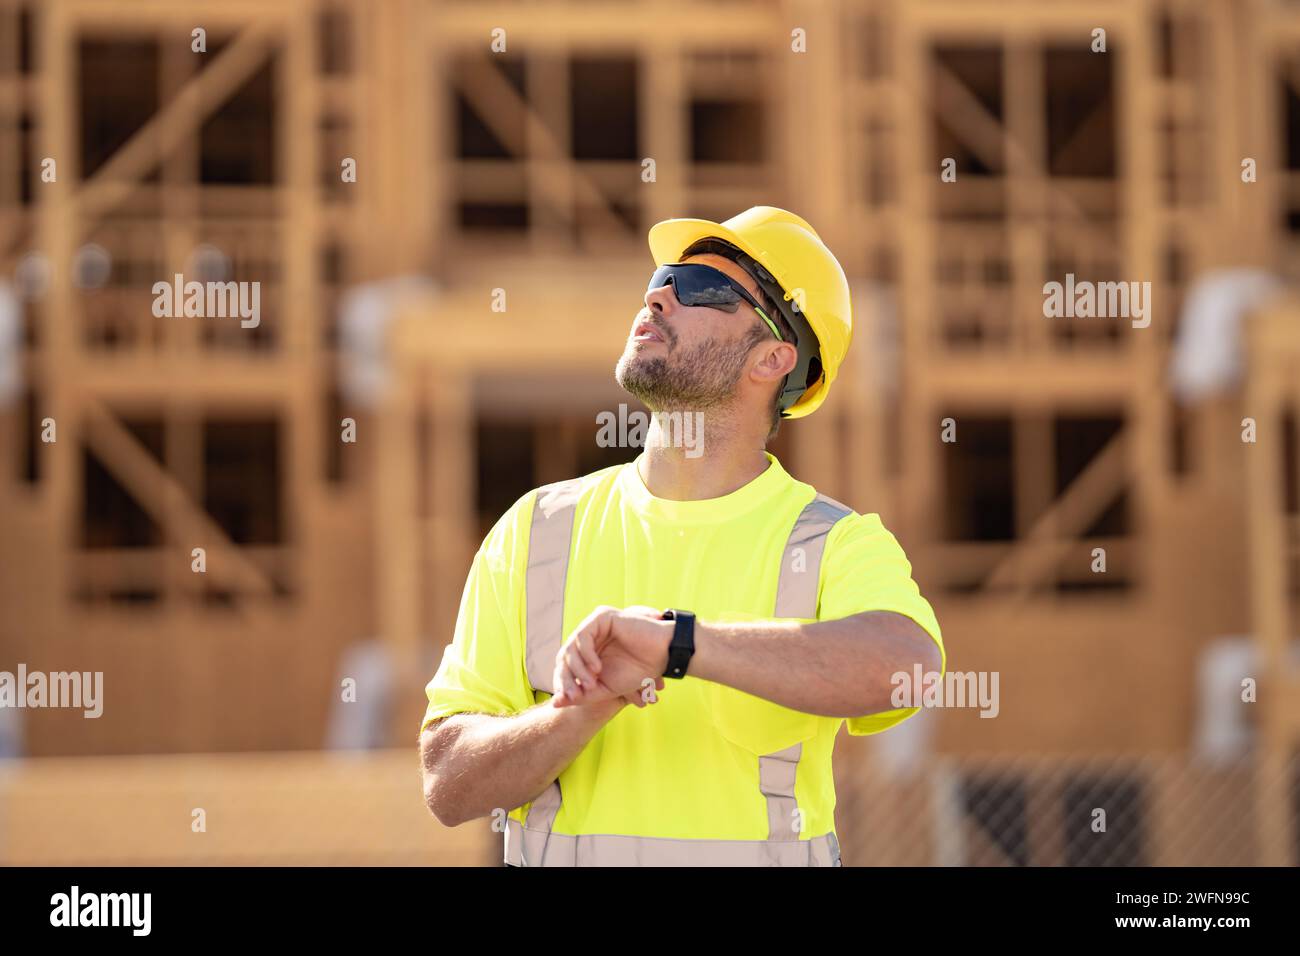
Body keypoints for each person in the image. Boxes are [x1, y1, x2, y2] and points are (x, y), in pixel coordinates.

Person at [419, 206, 945, 866]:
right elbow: (446, 784)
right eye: (665, 276)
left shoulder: (830, 541)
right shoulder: (537, 530)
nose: (658, 294)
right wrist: (576, 713)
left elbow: (910, 669)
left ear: (773, 357)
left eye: (701, 288)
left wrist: (679, 643)